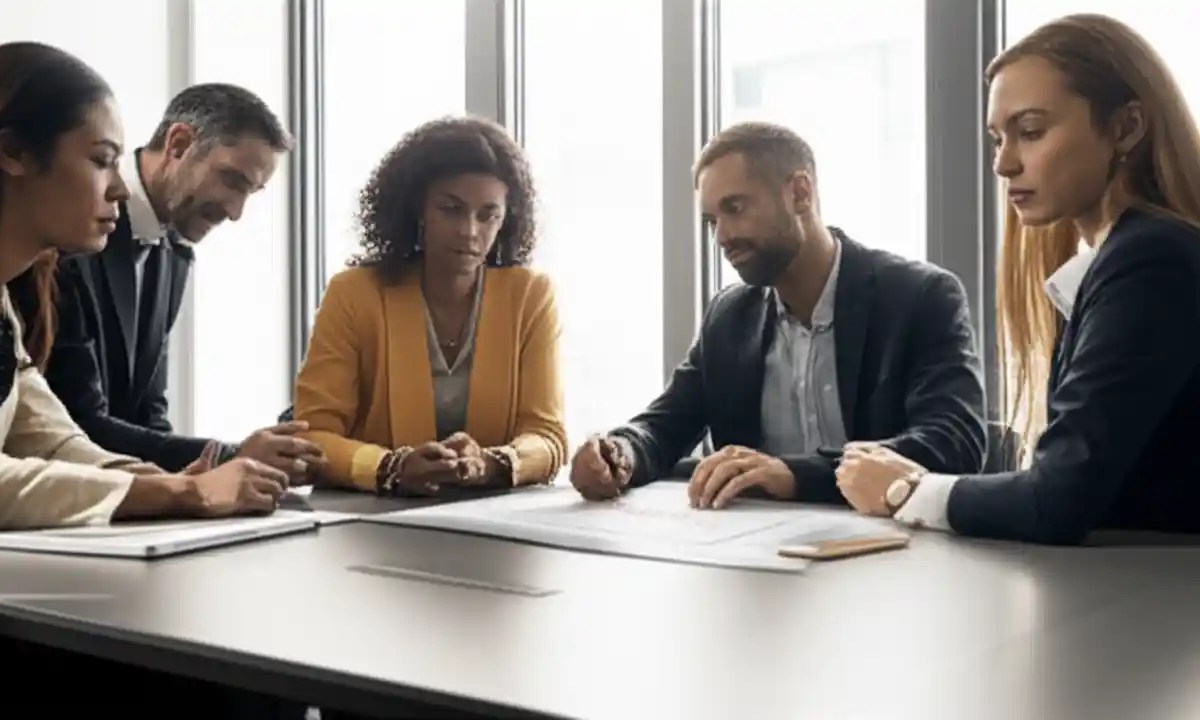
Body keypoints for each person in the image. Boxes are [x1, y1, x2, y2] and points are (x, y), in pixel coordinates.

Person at [0, 41, 295, 719]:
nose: (121, 187)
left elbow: (58, 441)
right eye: (101, 161)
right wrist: (182, 494)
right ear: (13, 154)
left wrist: (189, 490)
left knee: (251, 679)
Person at [835, 14, 1200, 545]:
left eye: (1029, 132)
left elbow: (1059, 498)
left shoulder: (1150, 259)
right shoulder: (1112, 264)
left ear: (1126, 128)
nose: (1004, 163)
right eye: (997, 138)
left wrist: (907, 492)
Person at [570, 122, 987, 509]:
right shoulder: (728, 318)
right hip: (762, 563)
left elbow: (954, 441)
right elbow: (663, 428)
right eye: (712, 220)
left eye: (735, 208)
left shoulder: (920, 297)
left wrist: (795, 476)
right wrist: (620, 452)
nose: (722, 237)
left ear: (800, 193)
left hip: (899, 558)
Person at [7, 83, 323, 479]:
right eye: (232, 180)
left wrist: (200, 483)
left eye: (251, 192)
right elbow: (75, 421)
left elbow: (149, 416)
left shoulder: (175, 257)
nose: (236, 211)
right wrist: (228, 456)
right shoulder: (69, 236)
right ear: (178, 143)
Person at [293, 116, 566, 496]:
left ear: (506, 220)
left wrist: (491, 463)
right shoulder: (353, 294)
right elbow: (313, 437)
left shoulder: (530, 296)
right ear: (418, 208)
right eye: (451, 209)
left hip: (493, 521)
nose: (470, 231)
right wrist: (392, 467)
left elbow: (547, 436)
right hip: (369, 519)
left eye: (488, 215)